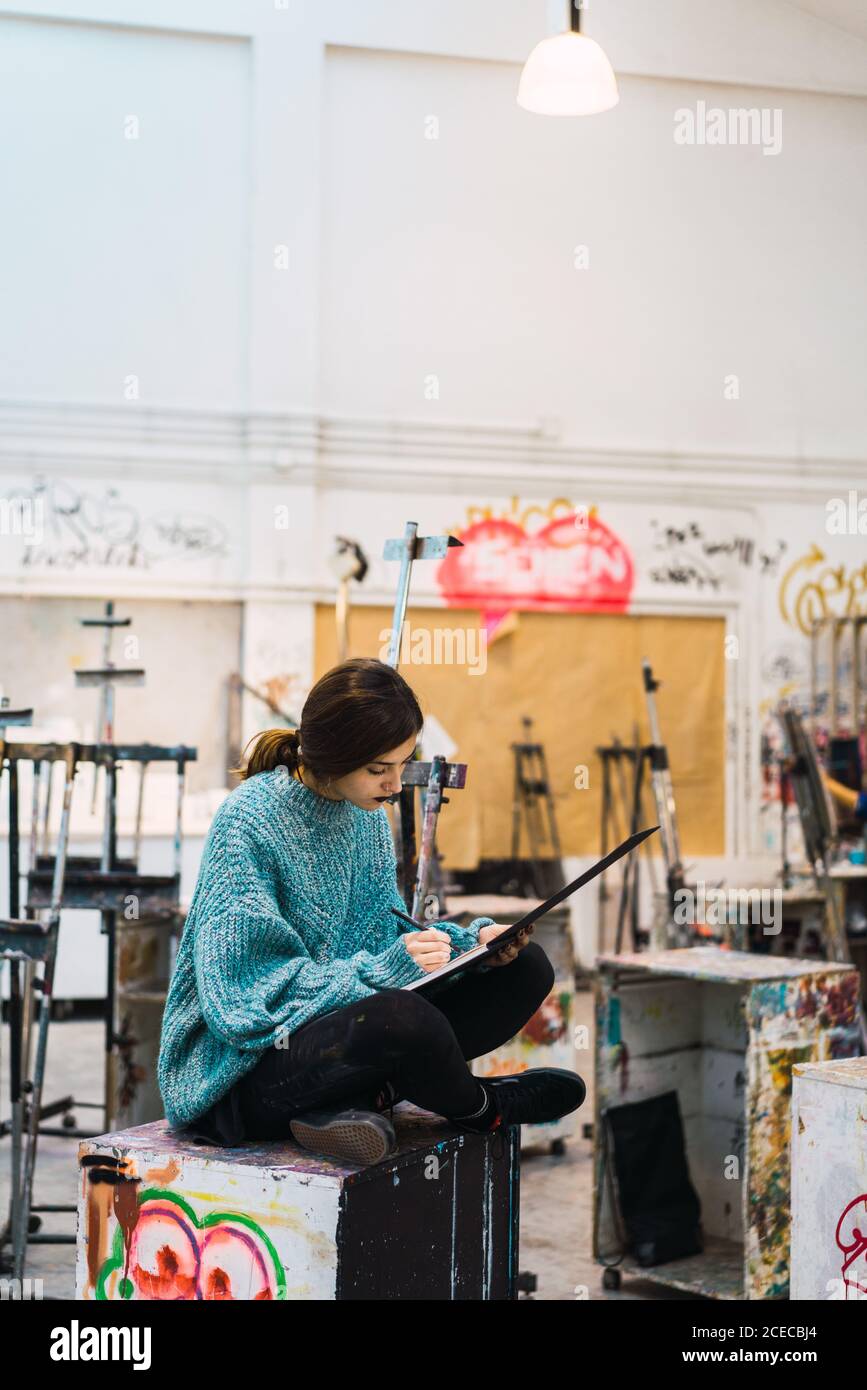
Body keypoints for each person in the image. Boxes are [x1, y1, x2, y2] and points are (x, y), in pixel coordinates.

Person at [157, 657, 586, 1165]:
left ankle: (351, 1103)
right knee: (400, 1019)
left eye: (402, 765)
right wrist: (387, 969)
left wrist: (470, 948)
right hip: (241, 1073)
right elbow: (243, 1001)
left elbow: (384, 941)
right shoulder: (248, 820)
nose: (394, 784)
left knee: (526, 968)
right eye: (379, 769)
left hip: (329, 1042)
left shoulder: (363, 821)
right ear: (332, 756)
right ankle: (481, 1105)